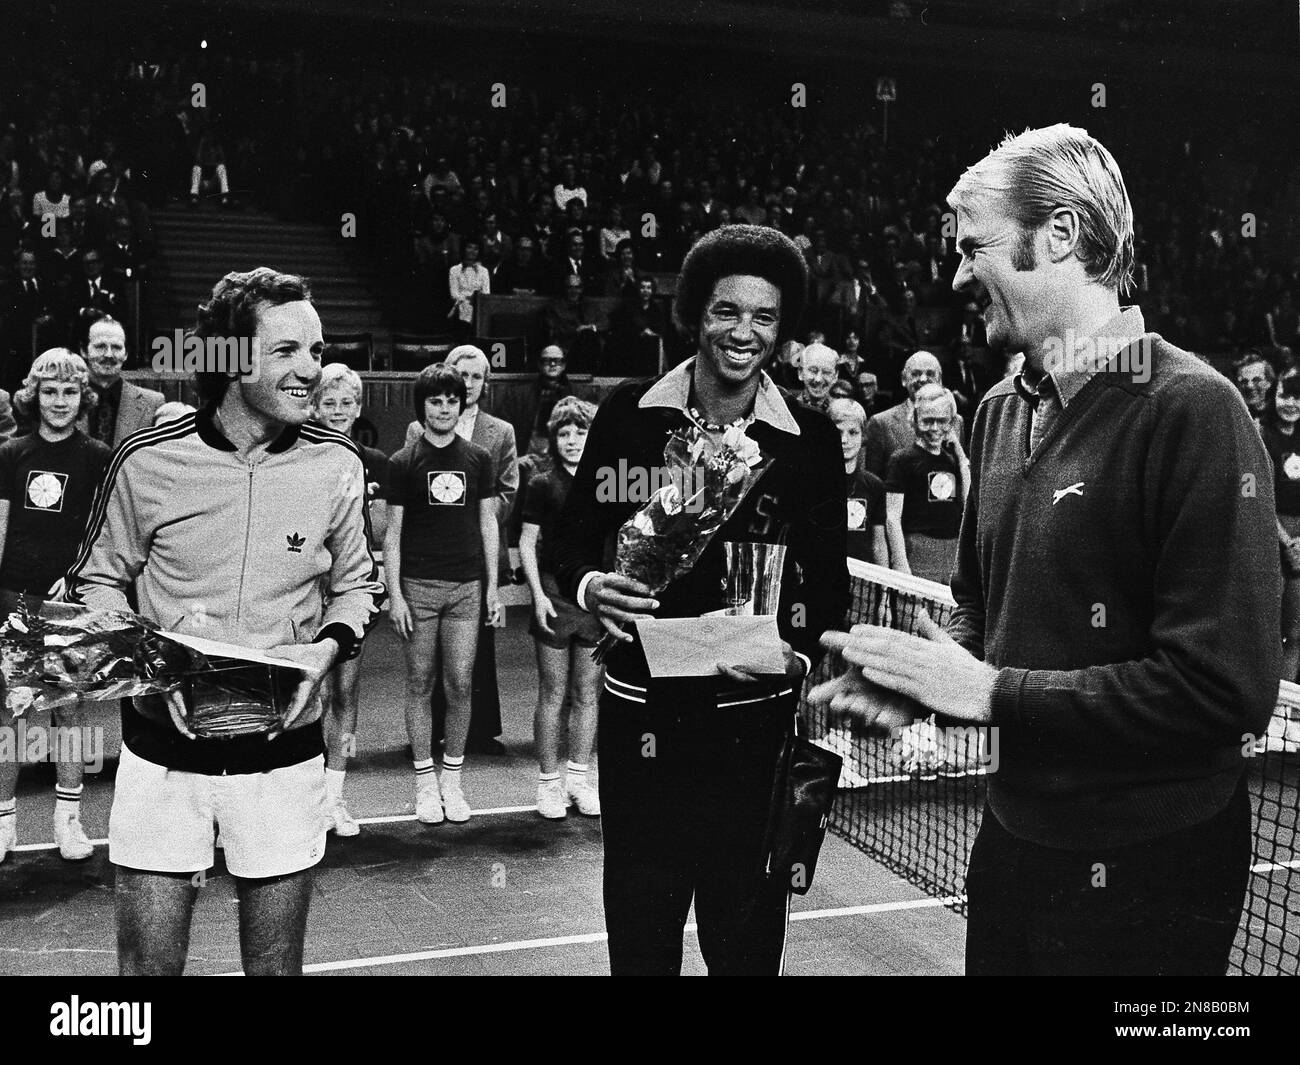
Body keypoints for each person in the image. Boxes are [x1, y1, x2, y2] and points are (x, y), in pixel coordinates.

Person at [812, 124, 1280, 976]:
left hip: (1156, 862)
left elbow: (1225, 688)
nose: (955, 277)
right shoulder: (994, 410)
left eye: (973, 248)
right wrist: (929, 676)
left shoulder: (1194, 411)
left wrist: (991, 691)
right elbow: (980, 609)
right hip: (1012, 842)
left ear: (1059, 234)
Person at [63, 267, 386, 975]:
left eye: (318, 348)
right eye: (288, 352)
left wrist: (324, 652)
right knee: (144, 978)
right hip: (161, 755)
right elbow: (97, 581)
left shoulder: (336, 463)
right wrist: (149, 663)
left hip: (284, 756)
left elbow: (359, 585)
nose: (313, 369)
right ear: (234, 360)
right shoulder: (146, 460)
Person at [552, 224, 849, 975]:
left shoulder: (809, 441)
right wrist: (595, 587)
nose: (743, 332)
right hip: (640, 723)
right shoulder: (627, 415)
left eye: (764, 317)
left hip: (753, 733)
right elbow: (570, 544)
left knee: (744, 947)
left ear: (781, 331)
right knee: (643, 942)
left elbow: (832, 587)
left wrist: (800, 651)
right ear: (695, 313)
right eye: (726, 311)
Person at [0, 350, 111, 863]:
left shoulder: (97, 456)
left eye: (70, 392)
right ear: (34, 396)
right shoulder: (10, 453)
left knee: (68, 709)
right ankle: (4, 823)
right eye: (50, 391)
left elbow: (101, 531)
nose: (60, 401)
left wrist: (80, 580)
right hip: (14, 598)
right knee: (12, 712)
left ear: (83, 397)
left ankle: (69, 821)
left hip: (69, 602)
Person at [385, 364, 504, 824]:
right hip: (418, 587)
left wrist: (493, 587)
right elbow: (392, 536)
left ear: (463, 404)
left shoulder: (478, 458)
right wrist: (395, 595)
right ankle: (423, 784)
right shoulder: (403, 462)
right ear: (423, 406)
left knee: (459, 682)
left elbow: (487, 522)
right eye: (435, 401)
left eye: (452, 400)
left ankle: (452, 782)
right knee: (420, 683)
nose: (444, 408)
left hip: (467, 588)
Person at [404, 345, 518, 754]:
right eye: (460, 374)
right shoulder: (418, 431)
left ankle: (481, 731)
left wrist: (469, 517)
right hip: (432, 554)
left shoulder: (500, 431)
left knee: (475, 653)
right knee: (428, 653)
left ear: (484, 383)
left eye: (475, 377)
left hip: (479, 551)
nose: (466, 384)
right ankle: (430, 731)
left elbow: (508, 492)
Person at [518, 397, 603, 819]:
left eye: (580, 432)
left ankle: (579, 780)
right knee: (553, 692)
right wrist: (536, 596)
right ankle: (548, 784)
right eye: (564, 433)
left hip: (592, 601)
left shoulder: (607, 483)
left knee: (588, 694)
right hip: (553, 595)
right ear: (554, 438)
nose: (572, 441)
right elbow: (527, 543)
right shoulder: (541, 482)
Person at [314, 364, 390, 835]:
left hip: (352, 589)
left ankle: (334, 797)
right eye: (329, 403)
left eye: (346, 403)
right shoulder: (302, 456)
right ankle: (300, 797)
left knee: (344, 690)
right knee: (310, 692)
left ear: (357, 408)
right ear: (315, 407)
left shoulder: (376, 462)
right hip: (308, 588)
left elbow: (378, 530)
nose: (338, 411)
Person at [883, 384, 968, 583]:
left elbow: (968, 504)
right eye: (928, 421)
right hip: (917, 550)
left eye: (942, 421)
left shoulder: (953, 460)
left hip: (951, 553)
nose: (935, 428)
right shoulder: (902, 460)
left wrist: (961, 456)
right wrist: (901, 564)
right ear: (914, 420)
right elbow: (892, 518)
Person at [860, 349, 965, 478]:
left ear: (940, 379)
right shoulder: (881, 423)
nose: (923, 379)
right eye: (916, 374)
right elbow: (872, 484)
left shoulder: (956, 421)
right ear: (904, 379)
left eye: (930, 373)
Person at [80, 315, 163, 446]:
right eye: (100, 346)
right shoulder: (66, 399)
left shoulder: (152, 403)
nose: (108, 354)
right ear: (84, 351)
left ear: (126, 354)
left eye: (116, 348)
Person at [829, 397, 886, 565]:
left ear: (863, 436)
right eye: (838, 432)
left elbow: (878, 544)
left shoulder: (874, 486)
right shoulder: (816, 482)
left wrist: (884, 586)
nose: (844, 440)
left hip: (862, 575)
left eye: (853, 432)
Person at [795, 341, 838, 414]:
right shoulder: (788, 408)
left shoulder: (839, 413)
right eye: (813, 371)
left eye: (826, 372)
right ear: (800, 372)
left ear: (835, 376)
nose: (818, 379)